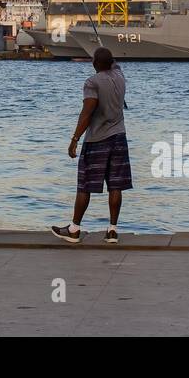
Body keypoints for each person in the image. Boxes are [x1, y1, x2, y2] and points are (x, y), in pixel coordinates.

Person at [51, 46, 132, 244]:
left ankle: (74, 229)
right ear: (111, 62)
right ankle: (112, 230)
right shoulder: (120, 76)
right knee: (115, 185)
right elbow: (115, 65)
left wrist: (75, 139)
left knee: (85, 185)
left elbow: (87, 113)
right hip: (119, 137)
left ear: (95, 64)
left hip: (97, 140)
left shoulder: (92, 83)